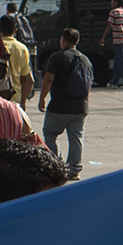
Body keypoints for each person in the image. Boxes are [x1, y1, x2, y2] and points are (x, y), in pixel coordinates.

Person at [38, 26, 93, 174]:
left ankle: (57, 166)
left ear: (63, 40)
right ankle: (74, 169)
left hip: (59, 107)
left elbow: (48, 79)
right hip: (81, 107)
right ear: (77, 41)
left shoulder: (57, 57)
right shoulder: (85, 60)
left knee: (49, 133)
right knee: (76, 137)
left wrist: (42, 98)